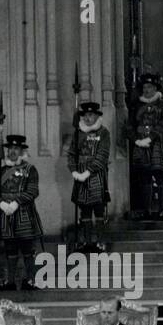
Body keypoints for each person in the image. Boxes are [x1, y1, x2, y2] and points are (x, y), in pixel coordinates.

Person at [0, 132, 44, 289]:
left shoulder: (30, 170)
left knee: (27, 249)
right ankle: (10, 281)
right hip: (6, 215)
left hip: (24, 214)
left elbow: (32, 191)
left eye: (16, 148)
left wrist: (16, 203)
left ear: (22, 151)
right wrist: (1, 203)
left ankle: (30, 280)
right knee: (10, 248)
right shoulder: (0, 172)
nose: (12, 151)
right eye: (10, 148)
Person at [128, 71, 163, 220]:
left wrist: (151, 137)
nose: (146, 90)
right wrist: (136, 139)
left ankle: (161, 210)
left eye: (150, 87)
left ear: (156, 88)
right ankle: (147, 210)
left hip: (158, 143)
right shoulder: (136, 105)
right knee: (144, 177)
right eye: (145, 87)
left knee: (161, 177)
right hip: (140, 144)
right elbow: (130, 125)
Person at [68, 100, 112, 254]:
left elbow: (102, 155)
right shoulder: (78, 133)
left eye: (91, 115)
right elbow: (72, 154)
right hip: (80, 176)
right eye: (85, 115)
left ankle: (100, 242)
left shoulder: (103, 133)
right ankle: (87, 242)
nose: (88, 118)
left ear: (96, 116)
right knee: (84, 211)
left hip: (96, 177)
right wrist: (74, 171)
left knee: (99, 210)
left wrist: (88, 172)